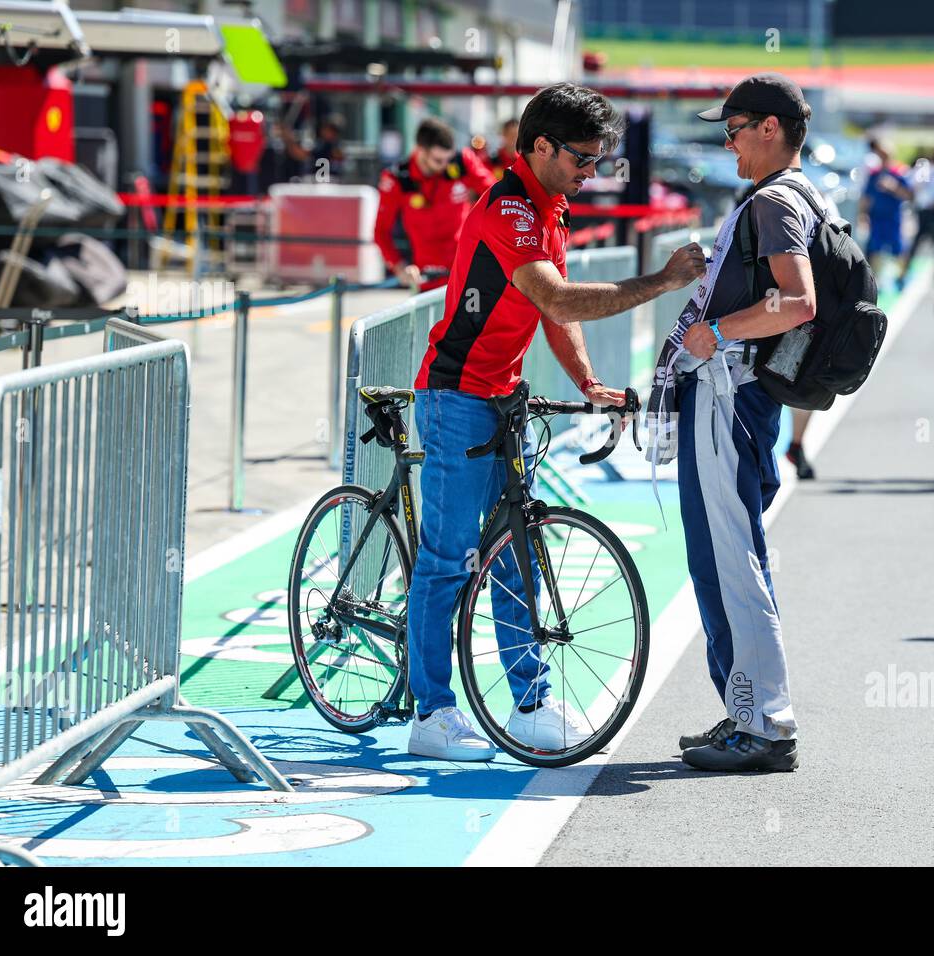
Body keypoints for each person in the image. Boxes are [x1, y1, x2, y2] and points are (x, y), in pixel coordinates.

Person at [405, 83, 706, 761]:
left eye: (598, 160)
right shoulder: (509, 206)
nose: (590, 172)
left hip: (502, 397)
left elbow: (554, 315)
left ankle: (532, 698)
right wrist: (658, 282)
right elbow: (556, 293)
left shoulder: (552, 207)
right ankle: (431, 711)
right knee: (449, 561)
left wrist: (586, 381)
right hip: (456, 396)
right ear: (540, 146)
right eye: (582, 158)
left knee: (516, 553)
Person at [649, 73, 869, 771]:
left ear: (770, 128)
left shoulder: (774, 201)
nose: (728, 142)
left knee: (730, 558)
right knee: (721, 556)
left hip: (730, 395)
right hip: (743, 397)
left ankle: (766, 724)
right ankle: (744, 709)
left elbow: (797, 301)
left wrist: (715, 327)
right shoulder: (802, 195)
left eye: (735, 128)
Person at [374, 117, 497, 289]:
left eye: (449, 159)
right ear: (421, 151)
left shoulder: (462, 162)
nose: (446, 165)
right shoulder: (397, 179)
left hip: (467, 272)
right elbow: (381, 231)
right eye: (439, 160)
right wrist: (399, 267)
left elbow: (498, 198)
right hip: (425, 279)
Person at [859, 138, 912, 290]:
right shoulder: (874, 174)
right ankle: (874, 282)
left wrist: (894, 188)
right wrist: (863, 215)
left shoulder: (898, 173)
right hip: (877, 218)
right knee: (875, 249)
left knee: (898, 249)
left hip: (893, 218)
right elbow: (866, 197)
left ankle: (901, 277)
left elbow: (909, 195)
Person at [898, 147, 934, 282]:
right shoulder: (924, 169)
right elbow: (913, 184)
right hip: (924, 211)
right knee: (916, 242)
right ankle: (904, 270)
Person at [279, 112, 346, 181]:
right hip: (320, 184)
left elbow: (300, 155)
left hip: (327, 184)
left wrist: (288, 139)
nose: (323, 129)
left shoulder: (330, 146)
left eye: (329, 129)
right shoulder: (324, 144)